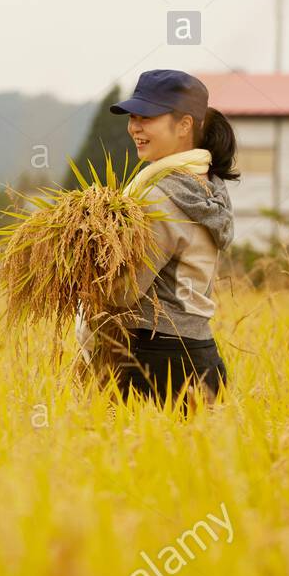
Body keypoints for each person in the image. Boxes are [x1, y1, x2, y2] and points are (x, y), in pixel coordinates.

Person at [78, 69, 236, 405]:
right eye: (133, 117)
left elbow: (125, 291)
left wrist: (82, 270)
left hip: (157, 360)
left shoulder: (159, 198)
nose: (134, 127)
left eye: (147, 117)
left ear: (184, 125)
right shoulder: (208, 187)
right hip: (201, 356)